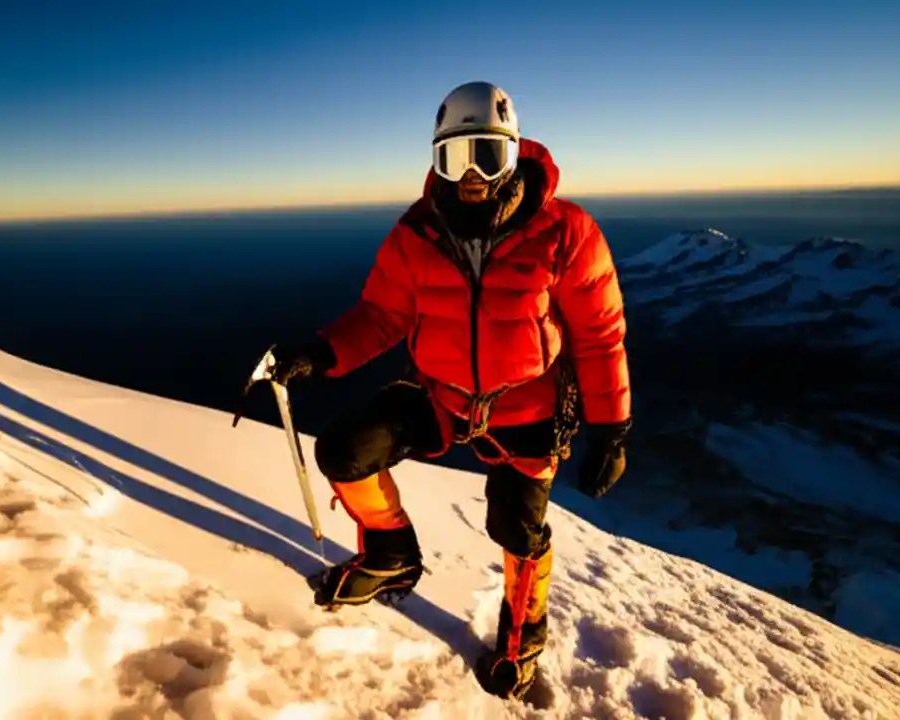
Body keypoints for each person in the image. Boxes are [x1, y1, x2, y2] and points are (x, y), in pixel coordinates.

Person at [266, 81, 632, 699]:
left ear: (513, 154)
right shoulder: (417, 233)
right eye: (453, 157)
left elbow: (599, 335)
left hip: (530, 410)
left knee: (518, 529)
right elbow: (382, 315)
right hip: (441, 397)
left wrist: (611, 426)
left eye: (486, 155)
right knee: (344, 451)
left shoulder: (565, 232)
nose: (470, 175)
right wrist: (322, 352)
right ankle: (390, 555)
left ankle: (522, 643)